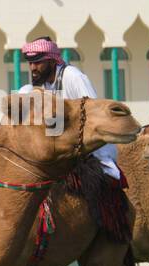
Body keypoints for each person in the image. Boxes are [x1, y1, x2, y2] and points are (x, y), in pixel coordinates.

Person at [17, 37, 119, 180]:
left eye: (38, 62)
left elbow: (95, 115)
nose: (33, 68)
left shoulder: (72, 77)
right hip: (66, 152)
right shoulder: (45, 86)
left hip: (94, 153)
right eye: (31, 63)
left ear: (52, 61)